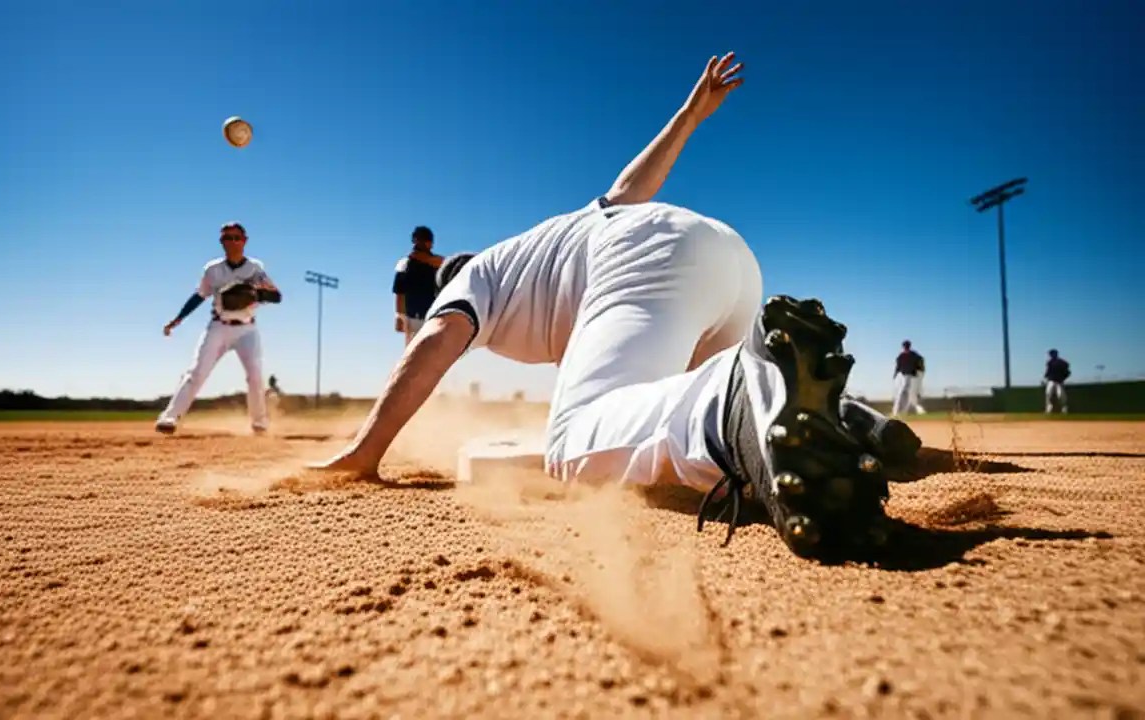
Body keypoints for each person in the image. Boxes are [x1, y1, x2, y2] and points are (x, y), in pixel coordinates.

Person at [311, 53, 919, 560]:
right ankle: (843, 419)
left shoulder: (475, 278)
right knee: (650, 415)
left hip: (646, 260)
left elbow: (434, 341)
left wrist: (364, 453)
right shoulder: (546, 249)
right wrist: (690, 114)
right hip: (725, 256)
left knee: (574, 445)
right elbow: (632, 188)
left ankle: (738, 395)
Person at [156, 222, 282, 435]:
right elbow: (199, 295)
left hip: (247, 330)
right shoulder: (212, 270)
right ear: (221, 242)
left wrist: (254, 293)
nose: (232, 242)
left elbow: (277, 296)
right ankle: (169, 418)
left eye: (236, 238)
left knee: (255, 375)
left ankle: (260, 423)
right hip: (218, 327)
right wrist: (178, 319)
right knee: (196, 372)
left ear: (245, 241)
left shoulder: (255, 269)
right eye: (227, 238)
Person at [393, 227, 444, 345]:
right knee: (415, 354)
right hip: (413, 318)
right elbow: (399, 292)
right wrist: (400, 316)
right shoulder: (405, 263)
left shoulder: (436, 263)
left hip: (433, 316)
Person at [891, 341, 925, 416]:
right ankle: (898, 411)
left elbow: (920, 362)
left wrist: (920, 369)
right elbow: (898, 366)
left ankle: (901, 411)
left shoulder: (912, 355)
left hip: (911, 376)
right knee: (904, 392)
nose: (906, 347)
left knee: (907, 393)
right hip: (905, 376)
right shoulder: (903, 355)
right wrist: (895, 374)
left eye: (906, 346)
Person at [1044, 349, 1071, 414]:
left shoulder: (1061, 362)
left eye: (1052, 354)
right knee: (1048, 394)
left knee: (1061, 395)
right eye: (1051, 354)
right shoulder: (1049, 362)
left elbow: (1067, 371)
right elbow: (1048, 371)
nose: (1051, 355)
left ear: (1056, 354)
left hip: (1059, 381)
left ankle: (1064, 408)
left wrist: (1063, 378)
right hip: (1051, 381)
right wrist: (1046, 376)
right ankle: (1049, 409)